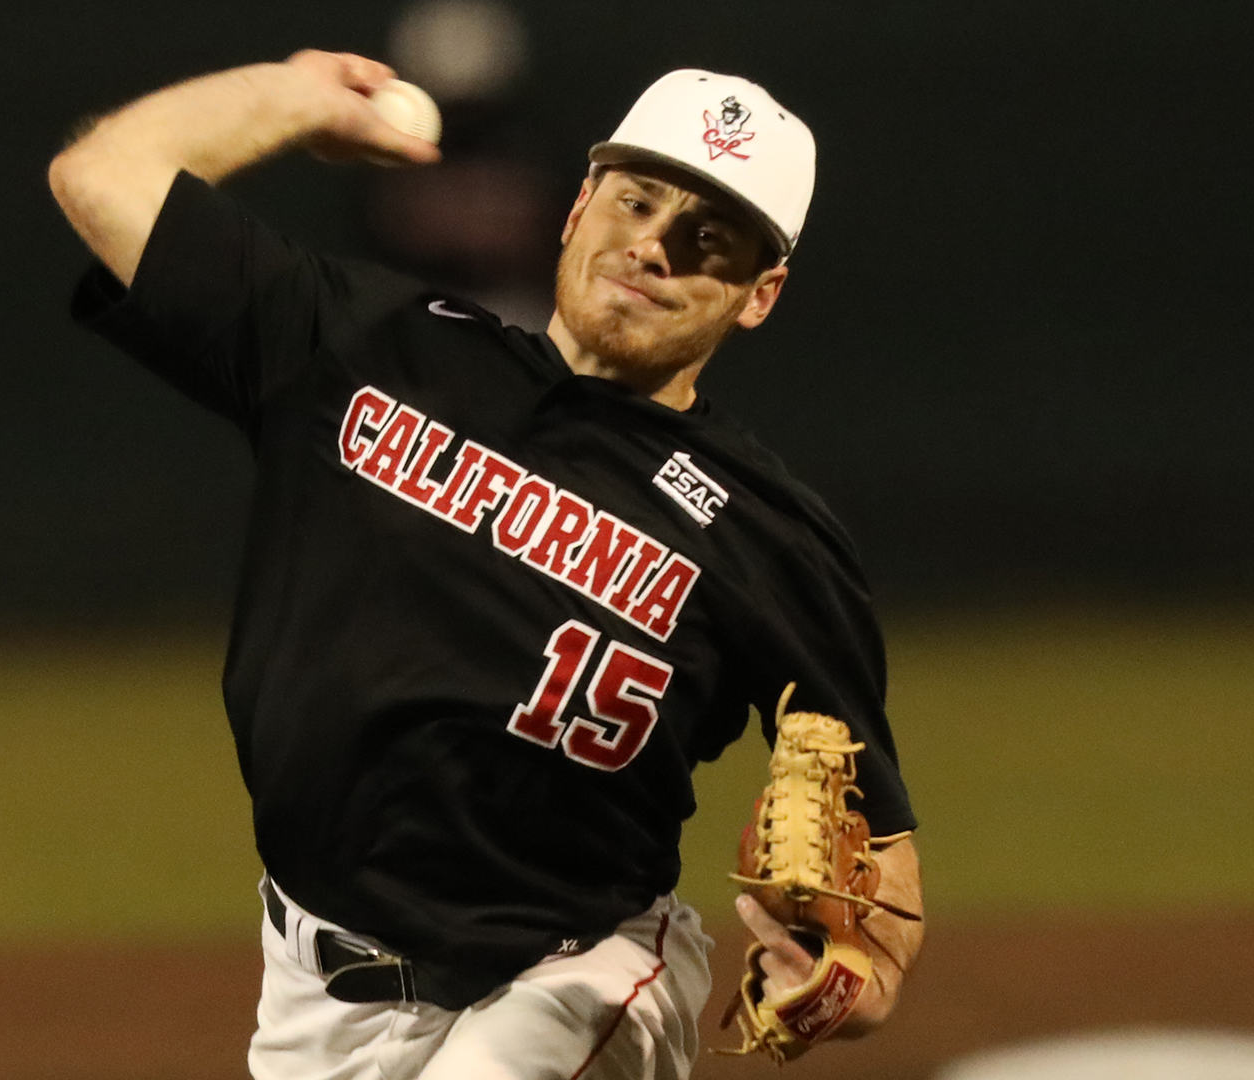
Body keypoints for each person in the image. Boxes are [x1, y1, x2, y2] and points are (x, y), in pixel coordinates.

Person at [48, 49, 924, 1080]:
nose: (652, 246)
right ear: (576, 206)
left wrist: (854, 973)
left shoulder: (769, 536)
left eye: (707, 239)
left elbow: (884, 866)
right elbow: (100, 177)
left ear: (760, 294)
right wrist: (287, 98)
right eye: (636, 202)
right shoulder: (364, 347)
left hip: (572, 974)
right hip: (313, 990)